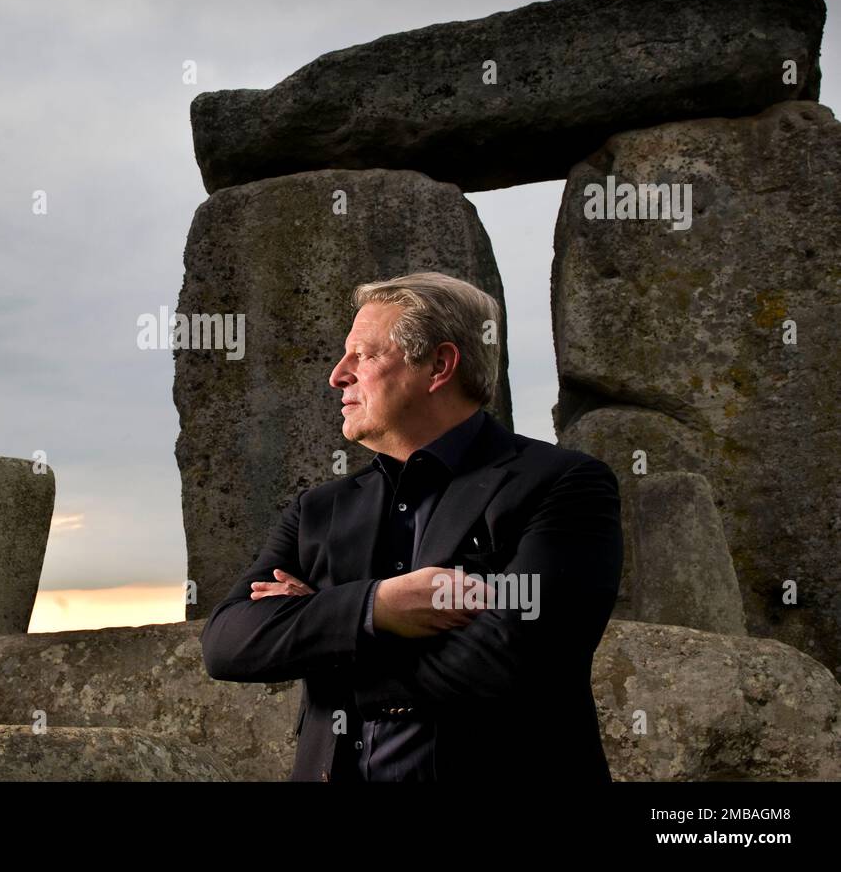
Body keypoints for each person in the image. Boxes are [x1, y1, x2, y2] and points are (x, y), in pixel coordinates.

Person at [199, 271, 623, 781]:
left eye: (364, 355)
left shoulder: (564, 483)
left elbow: (511, 660)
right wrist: (379, 607)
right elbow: (226, 643)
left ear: (439, 365)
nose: (338, 375)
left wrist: (321, 633)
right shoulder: (319, 509)